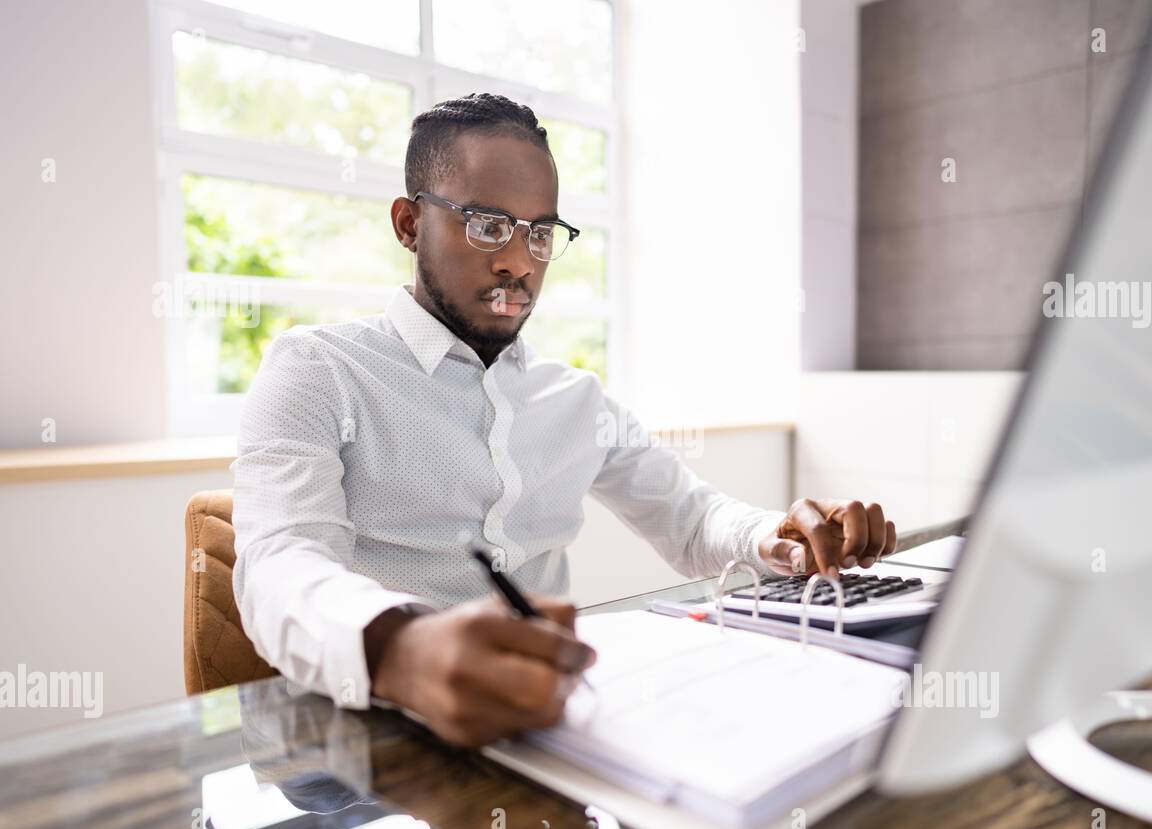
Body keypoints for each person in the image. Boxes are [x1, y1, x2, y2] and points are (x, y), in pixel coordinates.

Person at [232, 93, 897, 747]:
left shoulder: (574, 399)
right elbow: (279, 564)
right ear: (409, 224)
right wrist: (403, 650)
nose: (519, 262)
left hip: (551, 735)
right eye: (487, 224)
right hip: (378, 754)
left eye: (541, 233)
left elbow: (693, 519)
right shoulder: (315, 372)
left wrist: (774, 536)